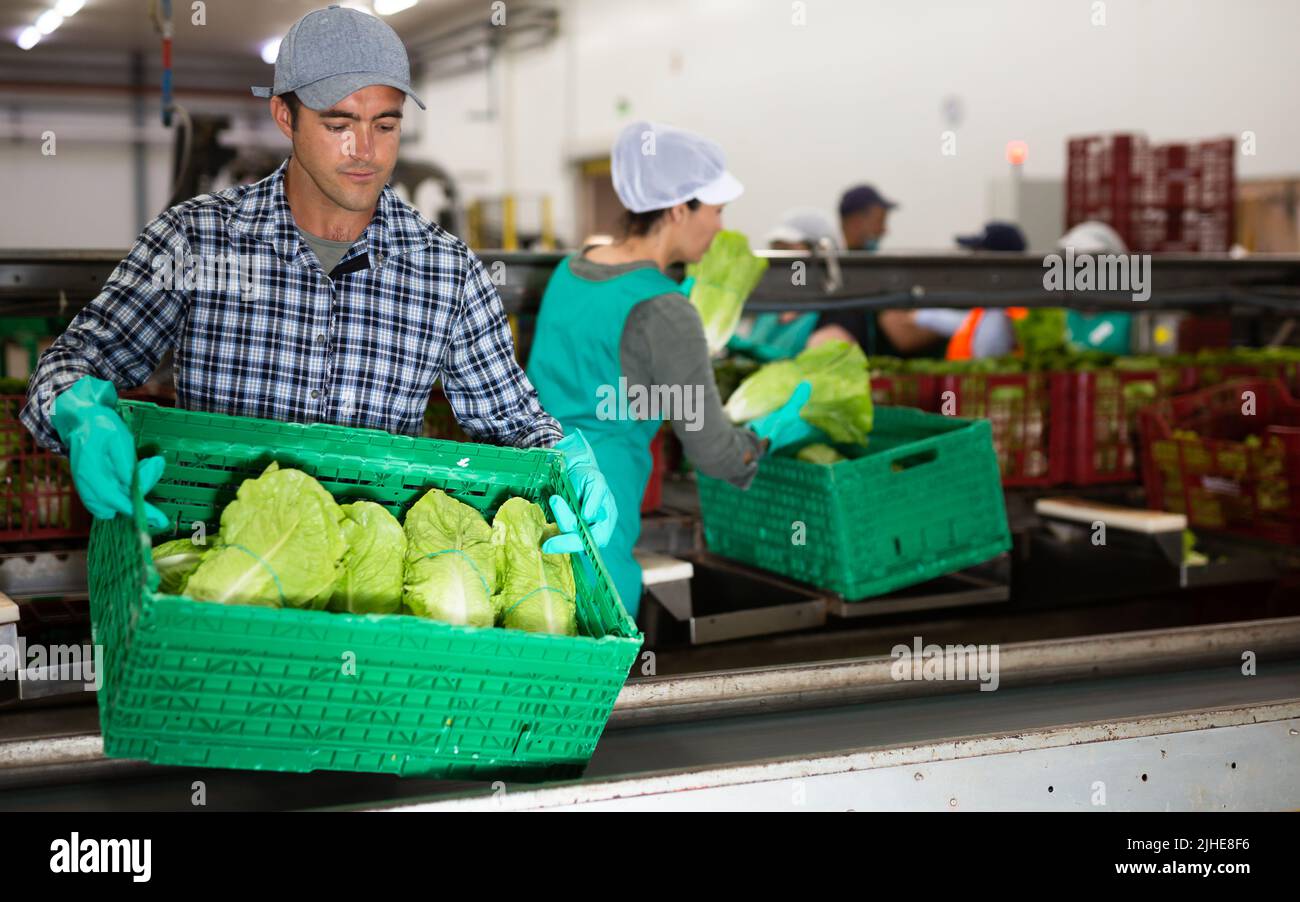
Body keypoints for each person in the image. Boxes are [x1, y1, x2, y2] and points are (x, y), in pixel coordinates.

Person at [22, 6, 613, 558]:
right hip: (215, 579)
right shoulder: (196, 241)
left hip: (366, 592)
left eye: (385, 125)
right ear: (286, 116)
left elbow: (516, 426)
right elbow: (71, 365)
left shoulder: (445, 272)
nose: (366, 151)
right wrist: (81, 412)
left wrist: (564, 461)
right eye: (339, 124)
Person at [525, 121, 816, 617]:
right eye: (717, 210)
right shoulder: (665, 309)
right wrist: (765, 436)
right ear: (680, 209)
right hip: (601, 518)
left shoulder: (570, 269)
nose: (721, 227)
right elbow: (716, 454)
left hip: (529, 499)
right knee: (602, 664)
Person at [810, 184, 937, 356]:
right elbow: (902, 335)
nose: (885, 230)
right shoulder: (845, 271)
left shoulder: (856, 267)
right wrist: (957, 324)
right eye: (880, 222)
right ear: (856, 222)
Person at [911, 221, 1029, 360]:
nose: (972, 260)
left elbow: (988, 352)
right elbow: (964, 323)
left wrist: (919, 317)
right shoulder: (993, 302)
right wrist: (920, 317)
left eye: (978, 253)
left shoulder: (1003, 310)